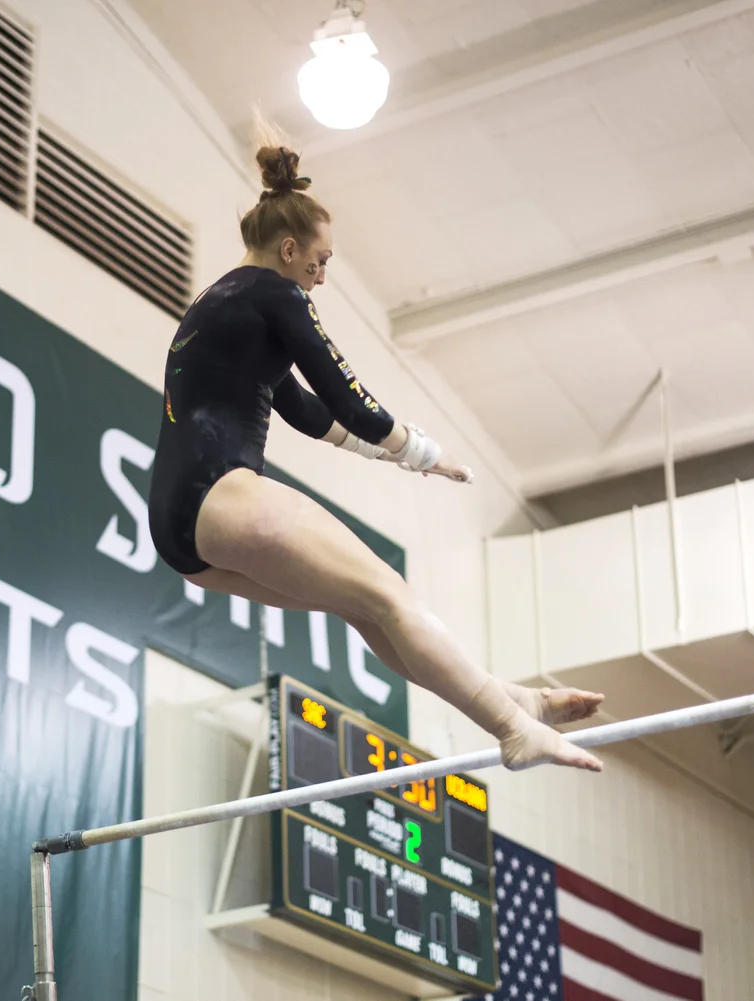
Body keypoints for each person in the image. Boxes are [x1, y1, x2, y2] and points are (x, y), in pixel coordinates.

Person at [148, 143, 603, 772]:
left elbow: (307, 412)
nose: (322, 276)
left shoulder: (221, 301)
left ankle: (512, 700)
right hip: (223, 495)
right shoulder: (277, 296)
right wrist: (421, 451)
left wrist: (398, 458)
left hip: (178, 533)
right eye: (320, 260)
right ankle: (510, 728)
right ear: (289, 250)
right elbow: (346, 397)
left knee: (363, 607)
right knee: (392, 597)